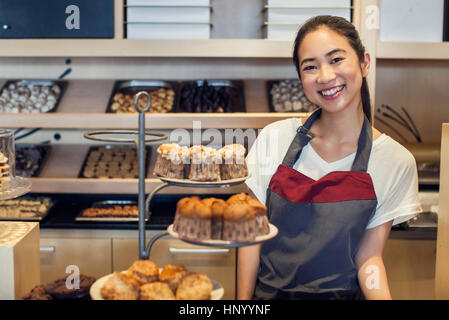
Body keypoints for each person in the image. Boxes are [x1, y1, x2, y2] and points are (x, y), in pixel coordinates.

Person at [238, 15, 422, 300]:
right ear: (301, 78)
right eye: (310, 66)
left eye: (336, 59)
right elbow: (250, 235)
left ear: (364, 63)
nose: (324, 76)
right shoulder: (276, 138)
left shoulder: (394, 161)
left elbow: (369, 259)